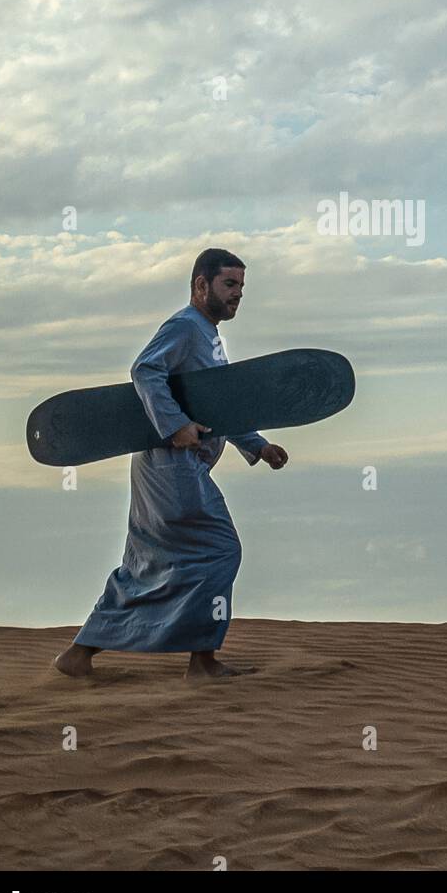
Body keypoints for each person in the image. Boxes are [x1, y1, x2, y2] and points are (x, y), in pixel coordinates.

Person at [53, 248, 289, 681]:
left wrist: (258, 445)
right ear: (201, 285)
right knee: (220, 549)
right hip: (172, 465)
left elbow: (216, 406)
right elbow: (145, 369)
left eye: (241, 287)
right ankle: (202, 661)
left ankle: (78, 654)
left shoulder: (208, 336)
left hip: (164, 468)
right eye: (229, 285)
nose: (237, 295)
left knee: (147, 560)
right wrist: (174, 426)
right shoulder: (185, 327)